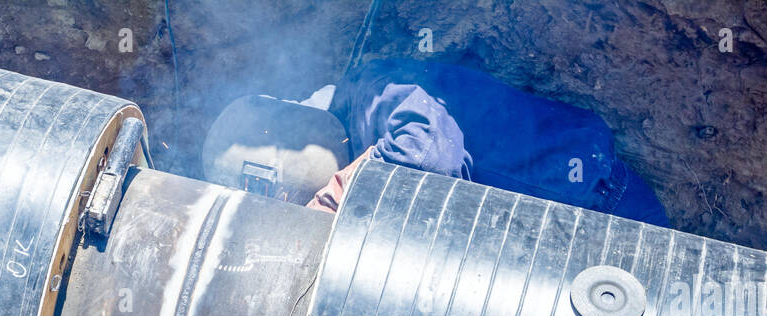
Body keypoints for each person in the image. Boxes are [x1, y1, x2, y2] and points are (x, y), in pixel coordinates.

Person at [202, 58, 669, 227]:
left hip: (609, 211)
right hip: (570, 230)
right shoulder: (364, 117)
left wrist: (333, 201)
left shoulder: (371, 88)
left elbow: (433, 158)